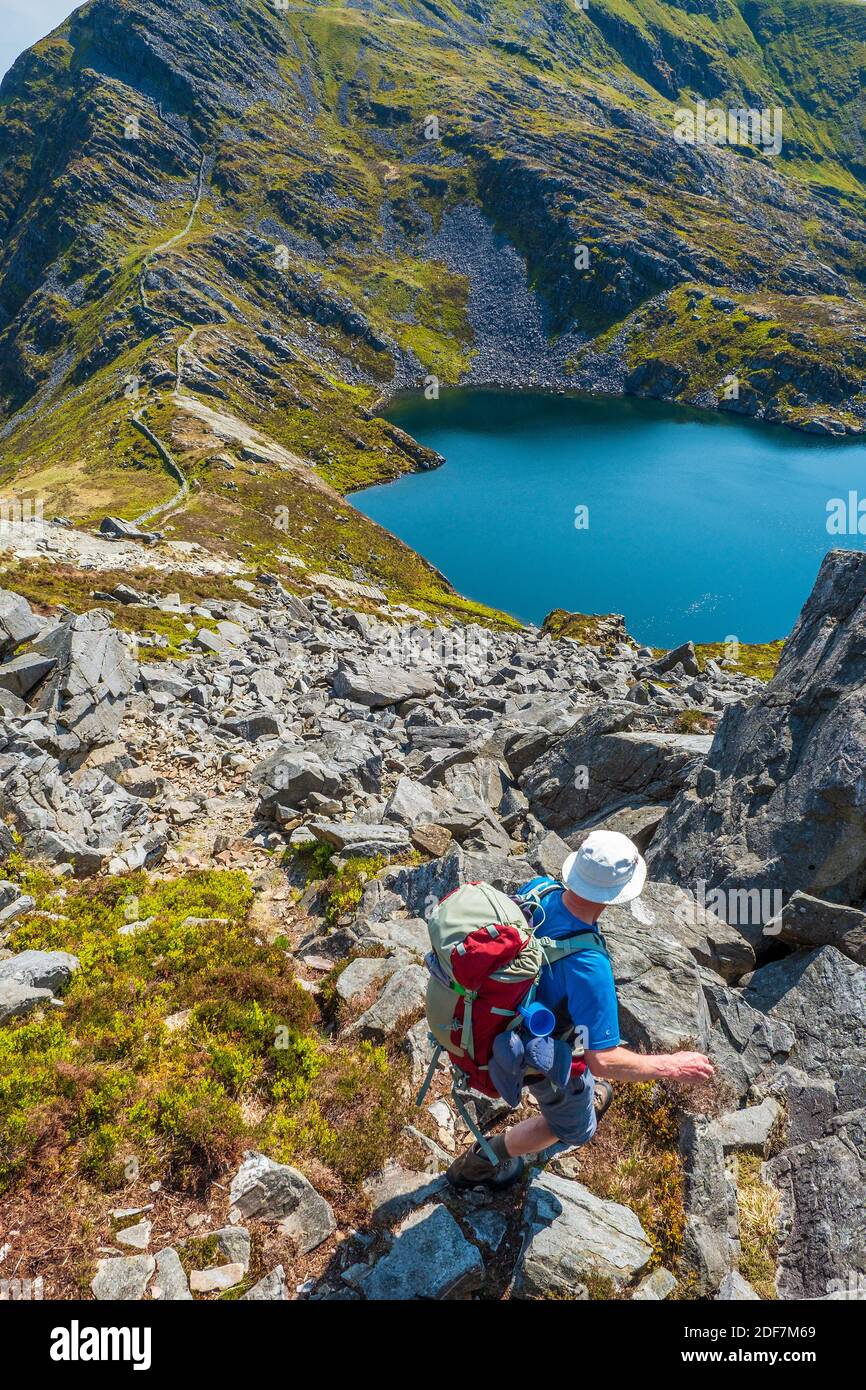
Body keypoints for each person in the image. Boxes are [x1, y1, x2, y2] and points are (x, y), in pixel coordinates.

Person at [446, 829, 715, 1189]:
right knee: (575, 1128)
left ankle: (586, 1094)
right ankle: (485, 1159)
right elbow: (602, 1059)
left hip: (488, 1015)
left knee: (584, 1084)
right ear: (614, 895)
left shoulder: (538, 890)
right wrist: (672, 1065)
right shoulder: (590, 966)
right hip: (533, 1050)